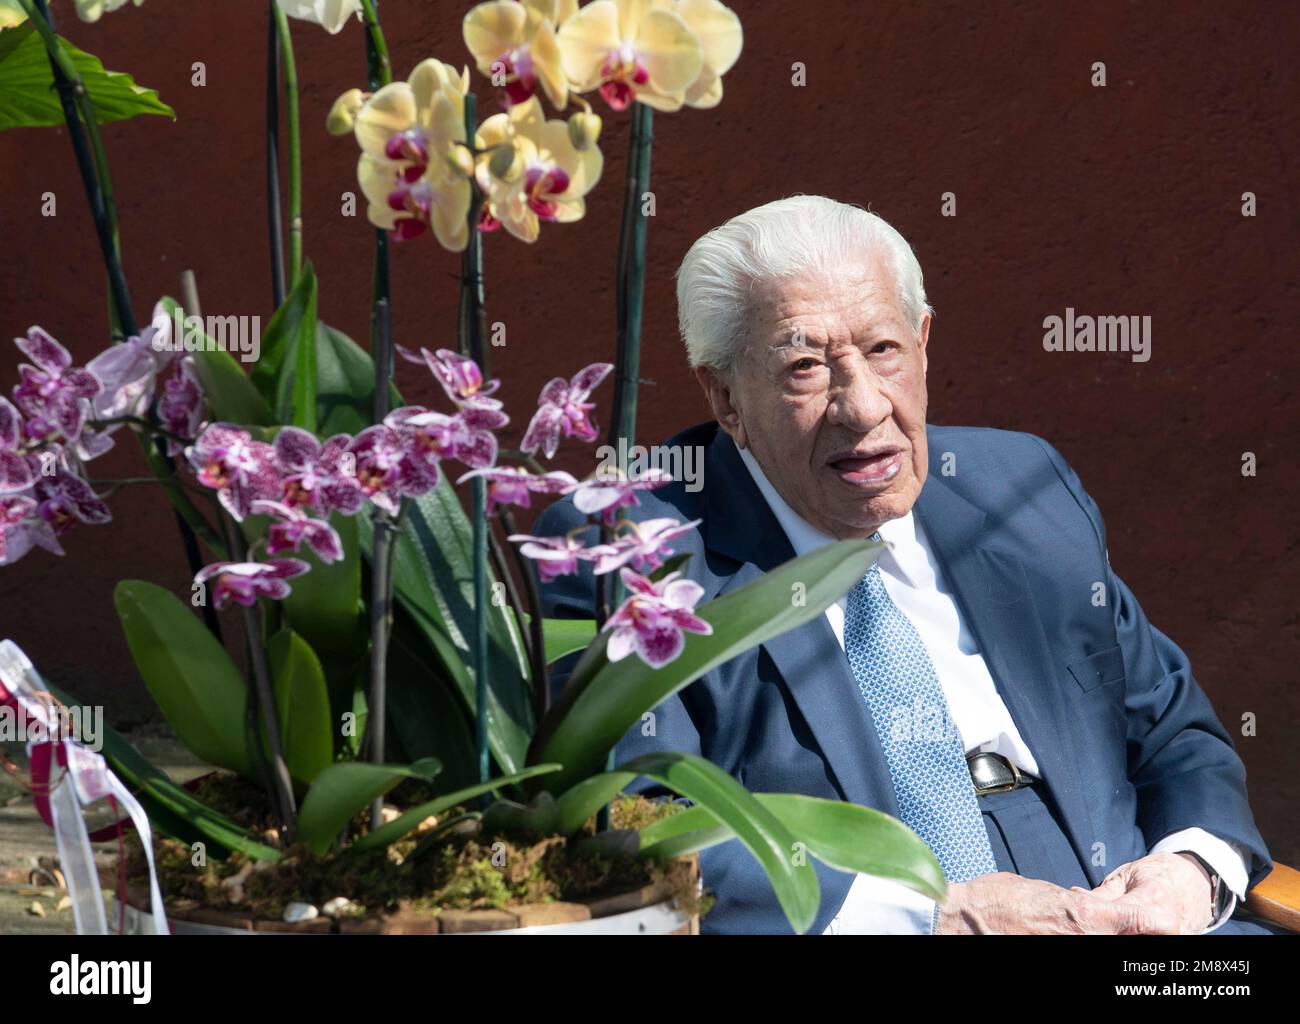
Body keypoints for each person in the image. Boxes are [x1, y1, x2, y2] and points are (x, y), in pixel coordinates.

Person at [535, 195, 1283, 934]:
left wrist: (1190, 870)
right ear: (724, 395)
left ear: (922, 342)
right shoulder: (632, 550)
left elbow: (1174, 736)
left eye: (884, 350)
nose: (862, 407)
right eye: (804, 366)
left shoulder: (1023, 488)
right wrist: (932, 915)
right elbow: (625, 821)